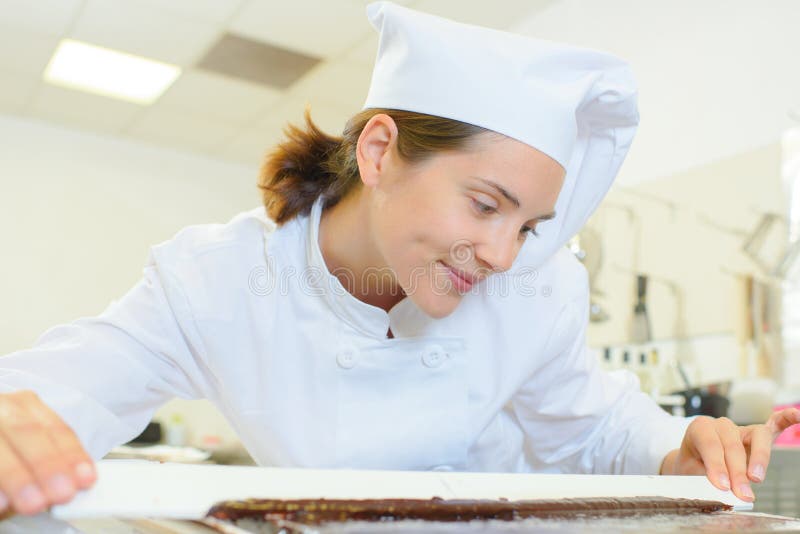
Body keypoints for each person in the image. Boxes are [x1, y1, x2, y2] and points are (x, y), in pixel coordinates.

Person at [1, 0, 797, 519]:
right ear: (379, 151)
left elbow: (588, 423)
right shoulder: (214, 281)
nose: (499, 252)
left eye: (527, 224)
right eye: (485, 203)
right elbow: (64, 388)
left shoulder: (537, 285)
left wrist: (674, 446)